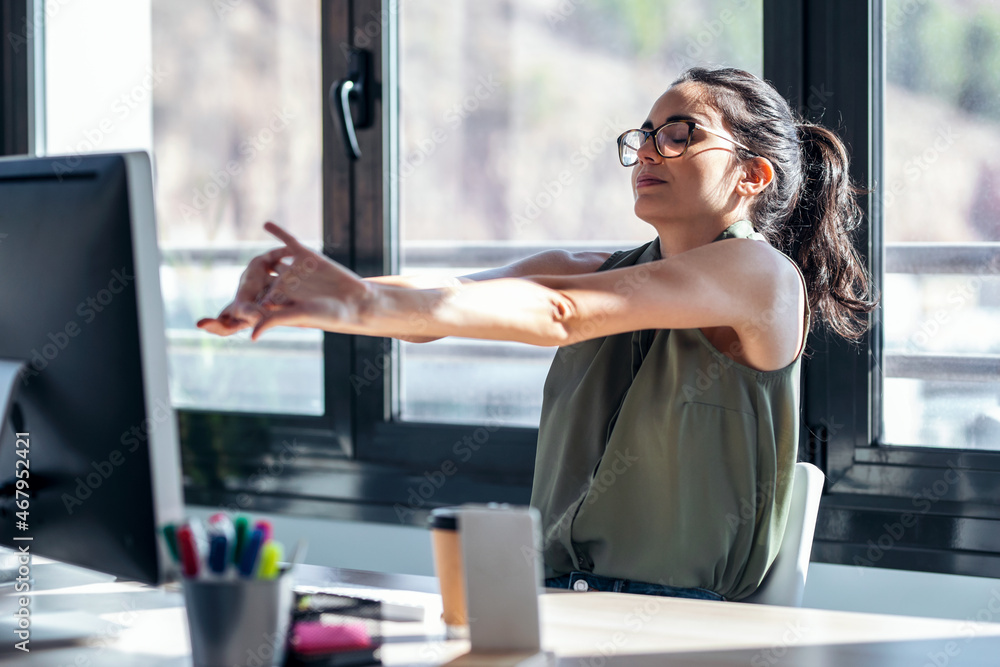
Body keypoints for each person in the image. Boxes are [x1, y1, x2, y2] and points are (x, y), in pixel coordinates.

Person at [198, 67, 877, 602]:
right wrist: (320, 296)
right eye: (643, 135)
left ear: (751, 175)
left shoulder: (761, 275)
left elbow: (561, 313)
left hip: (680, 619)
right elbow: (456, 298)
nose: (648, 149)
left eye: (680, 133)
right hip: (556, 599)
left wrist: (358, 301)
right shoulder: (594, 271)